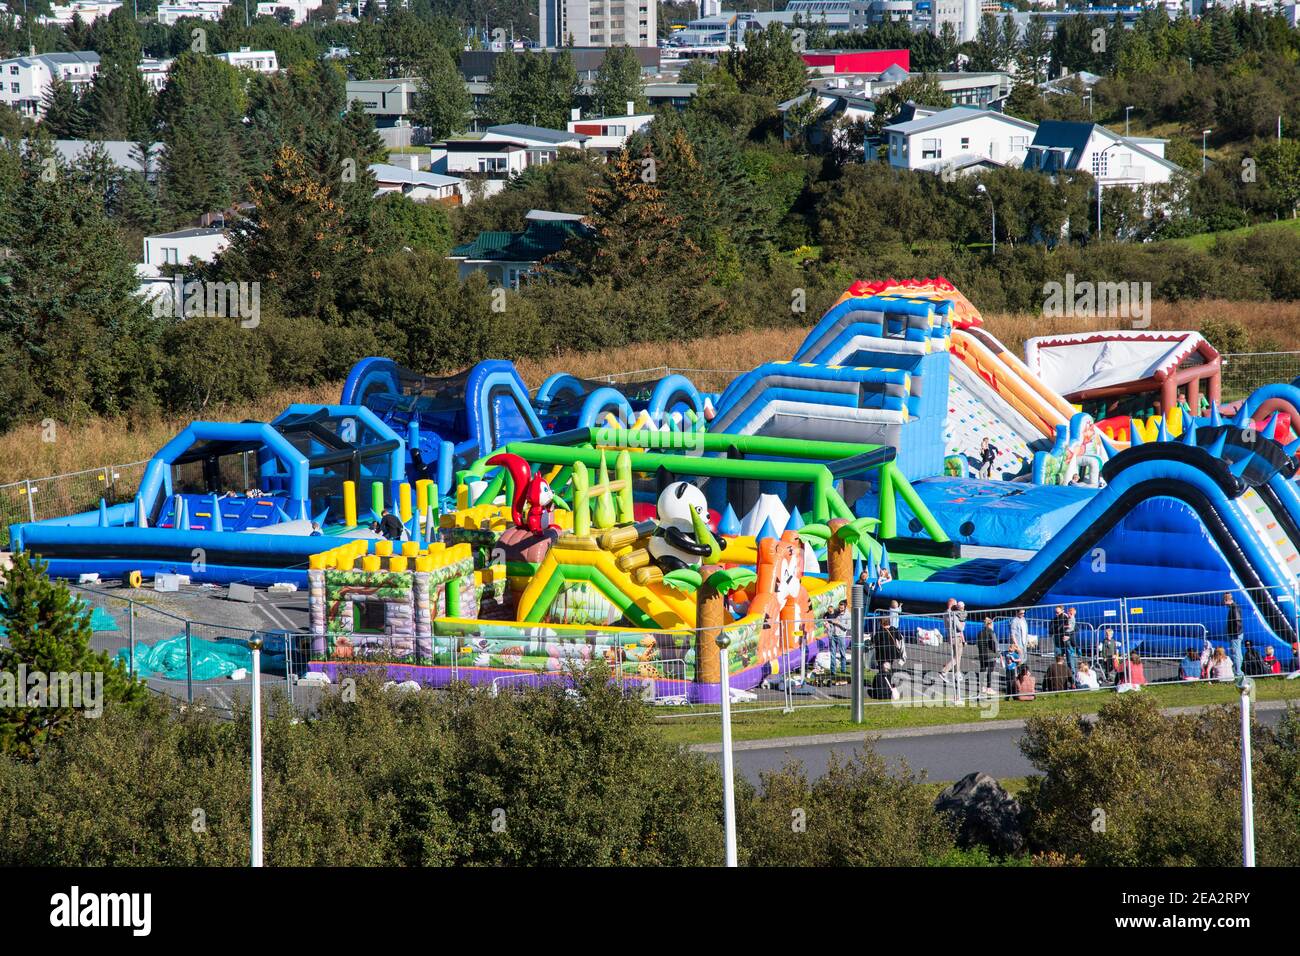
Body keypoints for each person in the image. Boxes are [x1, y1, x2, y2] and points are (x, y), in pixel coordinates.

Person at [940, 598, 964, 683]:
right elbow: (960, 627)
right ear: (953, 604)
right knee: (957, 657)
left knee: (957, 656)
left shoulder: (945, 613)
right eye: (956, 604)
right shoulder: (952, 614)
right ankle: (944, 672)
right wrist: (963, 622)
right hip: (956, 637)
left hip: (950, 636)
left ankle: (957, 673)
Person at [976, 615, 1000, 697]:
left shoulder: (979, 633)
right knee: (990, 672)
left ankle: (982, 687)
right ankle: (989, 688)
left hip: (982, 654)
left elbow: (978, 644)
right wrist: (997, 653)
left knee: (982, 670)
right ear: (990, 624)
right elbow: (994, 644)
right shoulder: (991, 632)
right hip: (991, 655)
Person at [823, 600, 849, 674]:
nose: (840, 609)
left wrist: (839, 623)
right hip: (832, 635)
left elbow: (848, 626)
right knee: (832, 654)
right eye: (839, 607)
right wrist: (826, 624)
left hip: (841, 636)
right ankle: (833, 671)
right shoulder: (836, 612)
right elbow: (828, 618)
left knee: (842, 653)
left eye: (841, 607)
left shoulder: (848, 615)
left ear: (845, 607)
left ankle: (843, 670)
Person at [1224, 592, 1243, 676]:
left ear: (1227, 600)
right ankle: (1239, 671)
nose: (1224, 603)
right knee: (1238, 652)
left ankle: (1238, 672)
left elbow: (1237, 621)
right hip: (1237, 633)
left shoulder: (1234, 608)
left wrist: (1234, 633)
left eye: (1224, 600)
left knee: (1236, 653)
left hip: (1235, 634)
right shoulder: (1234, 607)